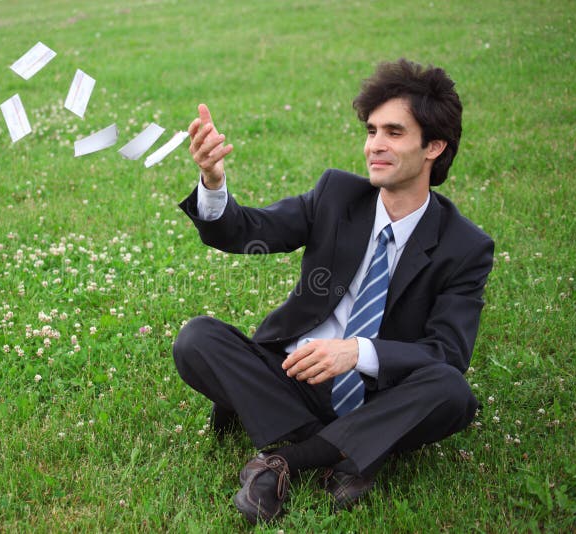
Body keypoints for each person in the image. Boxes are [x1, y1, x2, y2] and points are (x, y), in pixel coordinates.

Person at [173, 58, 494, 524]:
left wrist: (357, 352)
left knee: (451, 390)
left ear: (434, 146)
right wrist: (213, 182)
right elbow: (248, 231)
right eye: (371, 131)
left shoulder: (465, 246)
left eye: (394, 132)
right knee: (197, 339)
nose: (375, 145)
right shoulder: (337, 195)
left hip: (379, 394)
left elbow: (447, 352)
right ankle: (352, 453)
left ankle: (286, 460)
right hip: (294, 376)